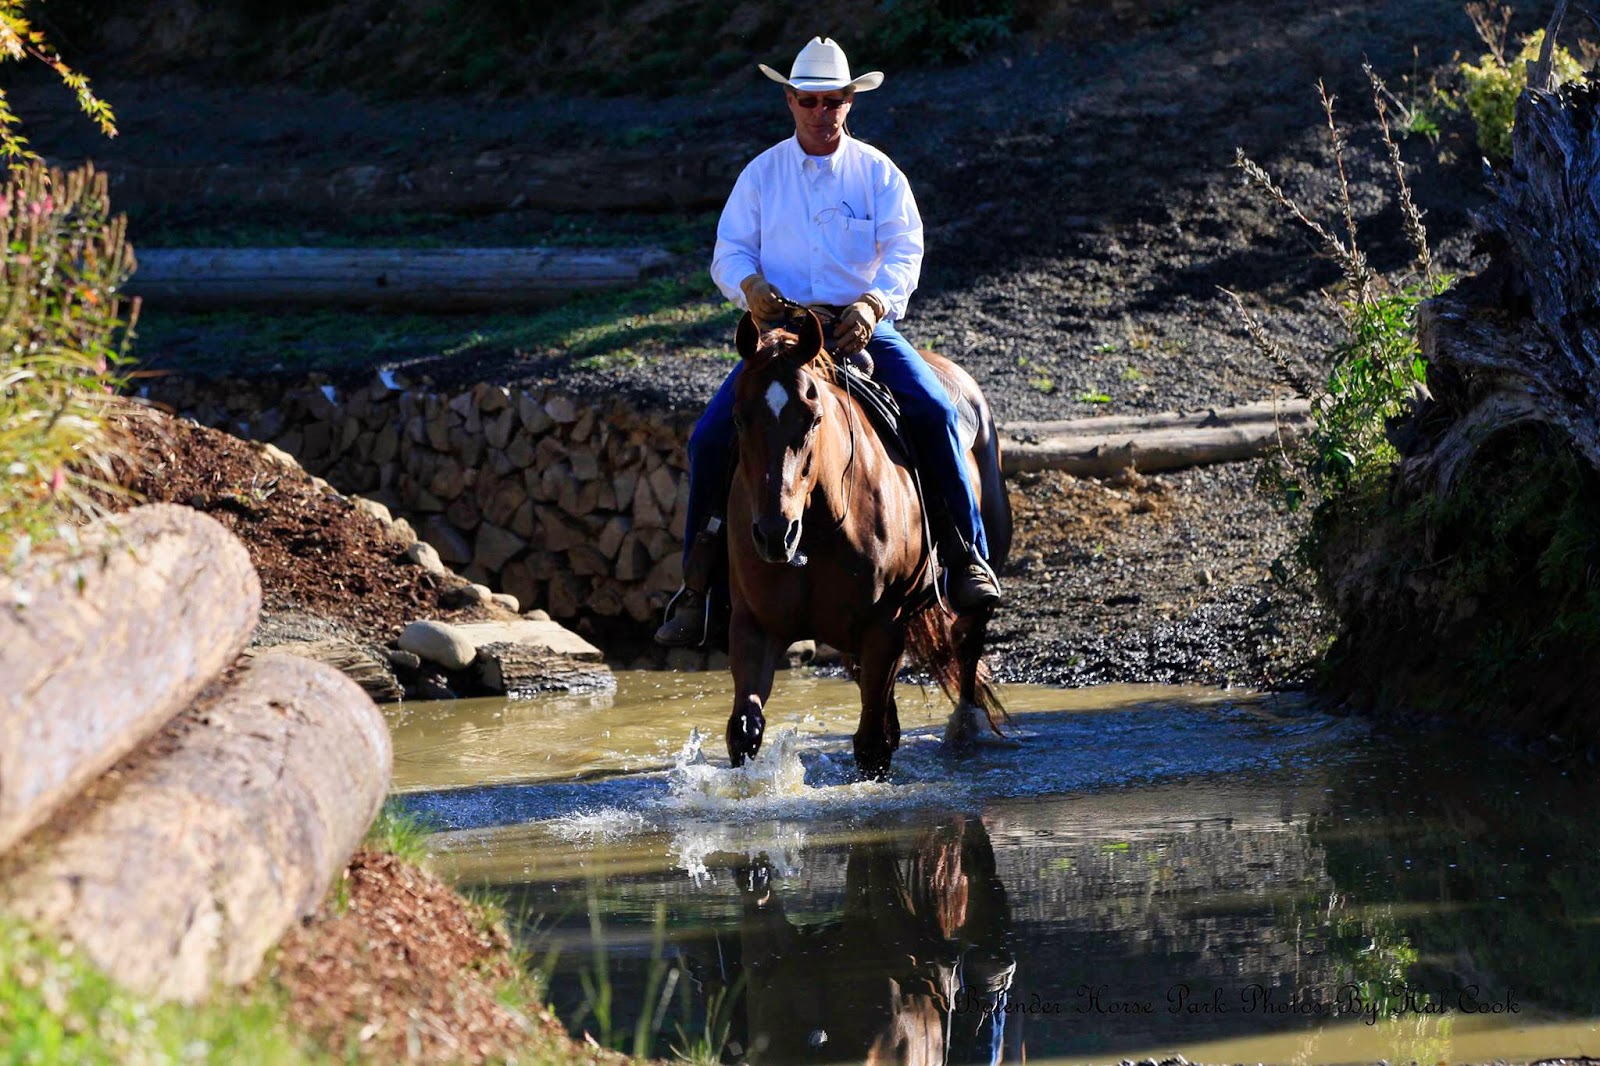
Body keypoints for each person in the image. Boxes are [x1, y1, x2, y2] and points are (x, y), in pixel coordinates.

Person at [655, 36, 1002, 647]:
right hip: (784, 333)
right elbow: (728, 251)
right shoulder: (761, 175)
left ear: (850, 101)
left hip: (859, 325)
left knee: (937, 411)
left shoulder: (878, 172)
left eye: (834, 101)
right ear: (791, 100)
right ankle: (698, 585)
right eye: (810, 101)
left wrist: (874, 303)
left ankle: (965, 556)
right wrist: (751, 286)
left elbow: (905, 248)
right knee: (710, 438)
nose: (822, 112)